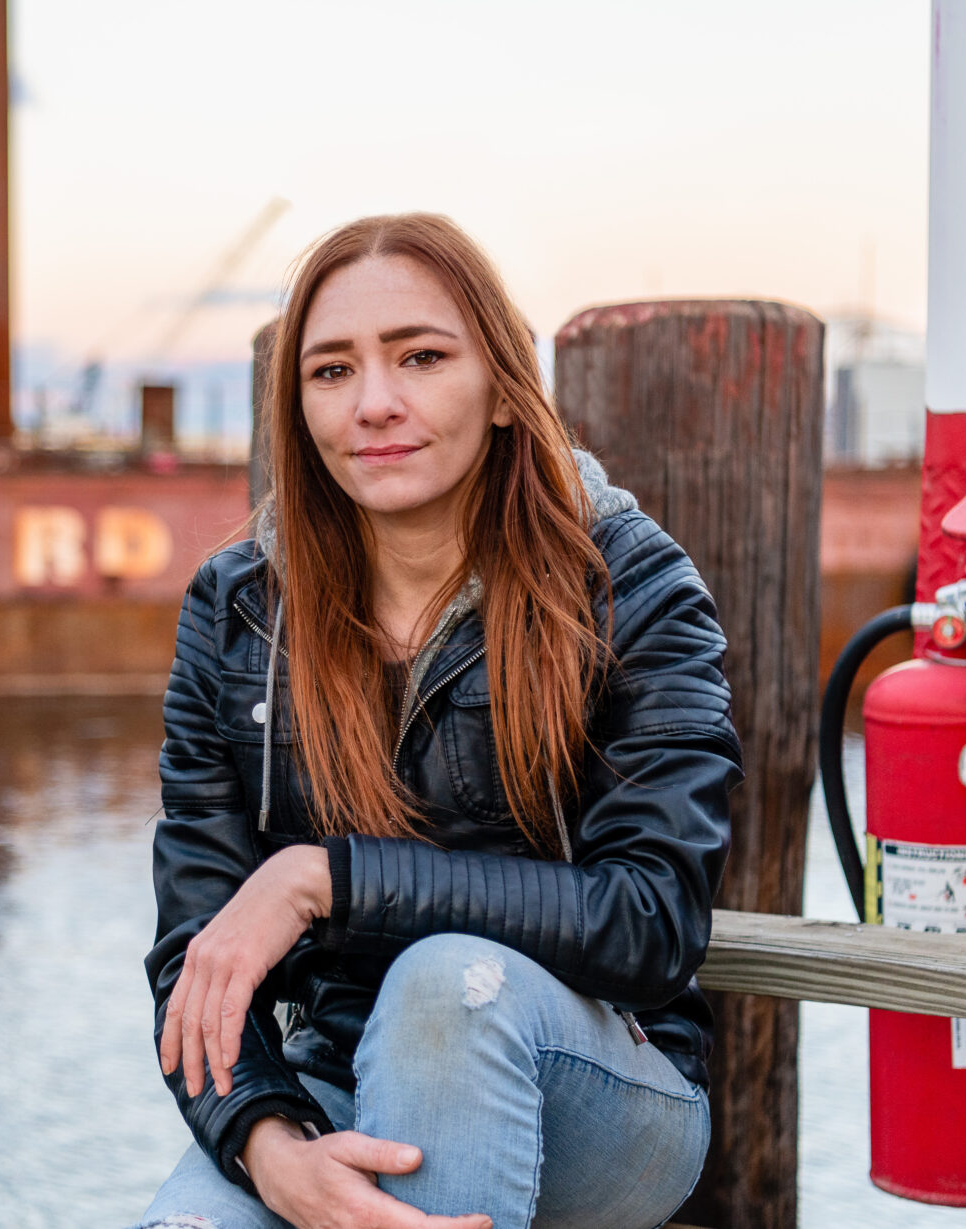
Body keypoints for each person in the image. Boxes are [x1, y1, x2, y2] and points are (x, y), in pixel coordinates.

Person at [135, 213, 741, 1229]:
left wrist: (323, 876)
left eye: (421, 356)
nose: (375, 403)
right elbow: (196, 953)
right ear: (297, 407)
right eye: (330, 372)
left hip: (599, 1083)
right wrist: (270, 1145)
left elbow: (651, 922)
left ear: (504, 387)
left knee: (443, 983)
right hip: (331, 1081)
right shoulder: (240, 611)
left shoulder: (631, 587)